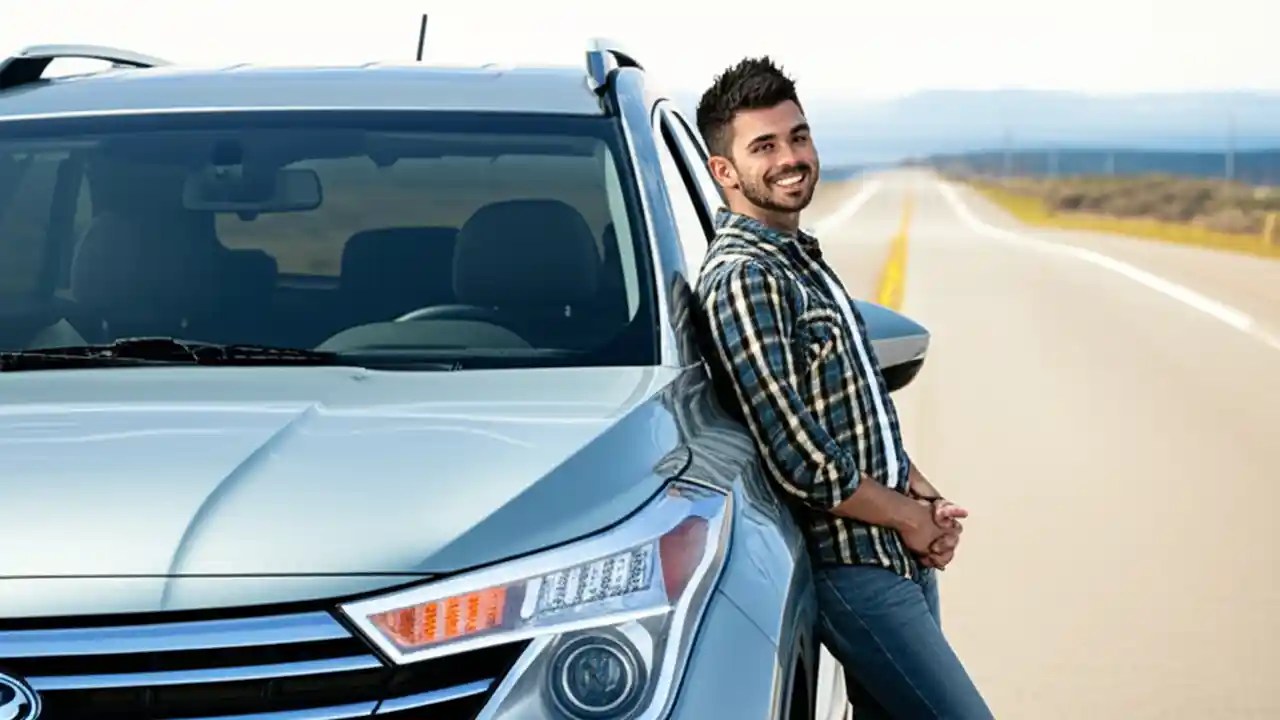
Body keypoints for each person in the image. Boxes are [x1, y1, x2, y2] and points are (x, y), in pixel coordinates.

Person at [692, 56, 993, 719]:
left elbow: (853, 408)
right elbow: (803, 461)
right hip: (853, 570)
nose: (790, 158)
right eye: (763, 146)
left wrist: (923, 494)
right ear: (724, 171)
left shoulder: (800, 258)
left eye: (798, 136)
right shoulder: (745, 279)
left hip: (892, 555)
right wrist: (910, 519)